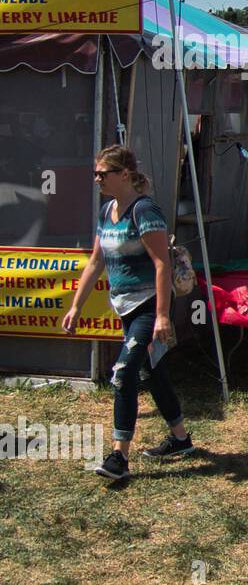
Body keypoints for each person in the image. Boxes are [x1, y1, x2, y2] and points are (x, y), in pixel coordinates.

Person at [63, 146, 194, 481]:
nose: (97, 179)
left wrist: (163, 315)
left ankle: (119, 457)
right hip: (124, 305)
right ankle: (181, 439)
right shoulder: (107, 210)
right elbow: (96, 262)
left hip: (149, 305)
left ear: (124, 174)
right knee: (153, 372)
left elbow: (162, 263)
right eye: (95, 174)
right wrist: (76, 306)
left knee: (123, 373)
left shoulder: (145, 210)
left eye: (102, 174)